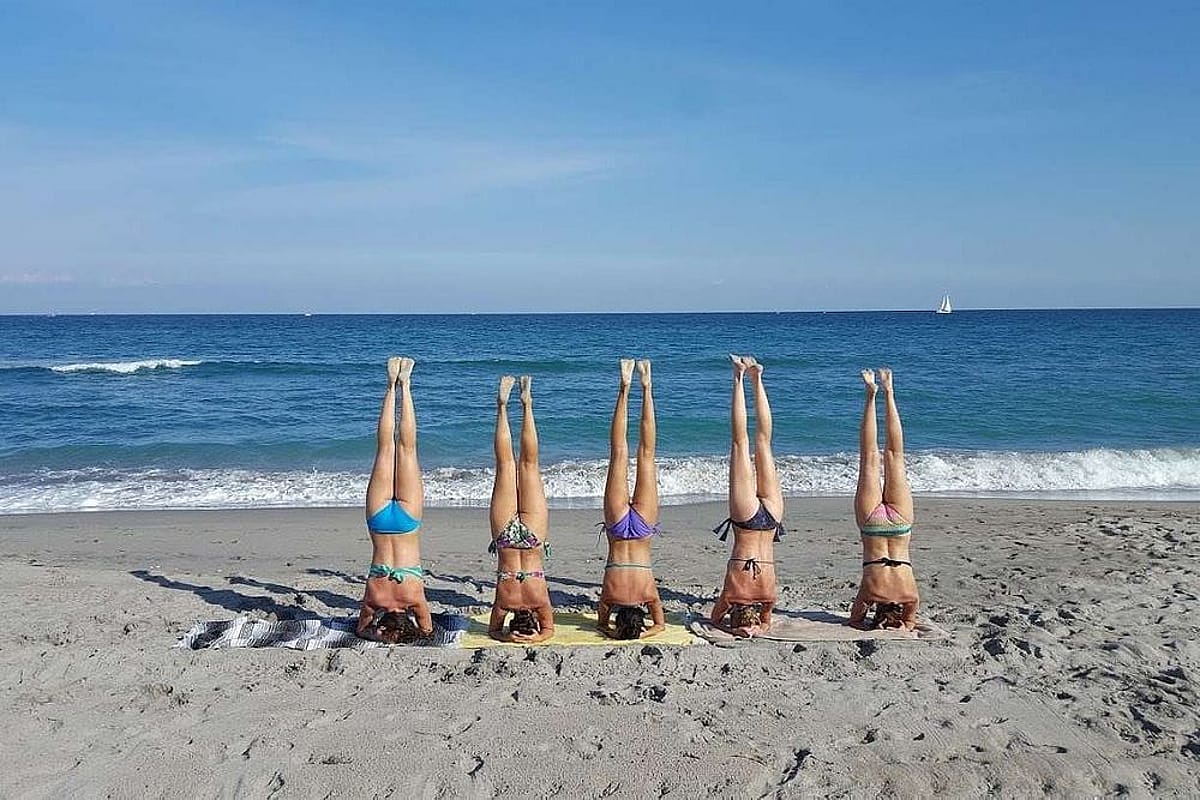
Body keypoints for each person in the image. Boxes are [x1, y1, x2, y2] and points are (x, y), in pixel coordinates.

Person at [356, 357, 434, 643]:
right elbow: (361, 629)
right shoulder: (374, 598)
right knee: (386, 447)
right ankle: (393, 384)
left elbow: (426, 629)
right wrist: (378, 632)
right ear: (382, 621)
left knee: (406, 449)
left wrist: (402, 631)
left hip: (407, 522)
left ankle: (405, 384)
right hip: (379, 521)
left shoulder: (414, 598)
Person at [710, 355, 784, 637]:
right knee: (740, 443)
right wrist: (738, 628)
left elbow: (765, 622)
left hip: (772, 520)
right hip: (746, 524)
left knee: (764, 443)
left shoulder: (768, 598)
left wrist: (755, 627)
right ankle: (740, 376)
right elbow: (716, 619)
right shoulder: (732, 595)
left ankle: (756, 377)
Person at [596, 359, 666, 640]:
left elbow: (659, 626)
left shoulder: (648, 595)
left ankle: (645, 386)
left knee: (646, 454)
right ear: (619, 618)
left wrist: (643, 633)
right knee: (619, 453)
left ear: (640, 615)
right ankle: (625, 387)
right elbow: (602, 624)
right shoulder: (609, 597)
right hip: (617, 528)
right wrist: (615, 633)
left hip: (642, 528)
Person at [848, 367, 920, 631]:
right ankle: (871, 394)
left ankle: (887, 391)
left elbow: (910, 621)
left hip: (901, 525)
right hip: (872, 527)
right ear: (878, 612)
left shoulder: (910, 596)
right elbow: (855, 621)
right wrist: (873, 615)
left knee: (895, 455)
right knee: (869, 456)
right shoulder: (870, 594)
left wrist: (903, 622)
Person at [487, 375, 555, 644]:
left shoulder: (540, 604)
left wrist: (535, 638)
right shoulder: (505, 604)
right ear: (512, 621)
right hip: (505, 540)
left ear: (533, 620)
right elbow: (494, 631)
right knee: (505, 465)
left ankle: (526, 405)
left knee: (529, 464)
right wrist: (507, 638)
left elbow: (549, 631)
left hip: (533, 539)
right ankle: (503, 406)